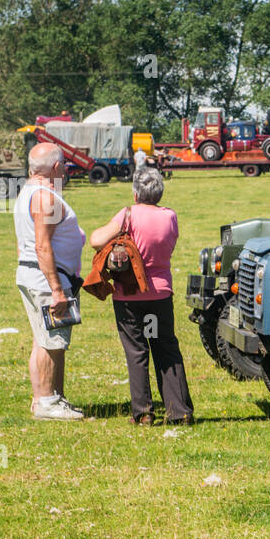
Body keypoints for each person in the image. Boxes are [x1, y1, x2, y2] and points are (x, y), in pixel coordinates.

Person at [89, 164, 194, 426]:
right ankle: (179, 412)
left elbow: (95, 240)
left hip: (129, 296)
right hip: (159, 295)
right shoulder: (170, 216)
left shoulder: (128, 215)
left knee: (136, 352)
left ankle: (144, 412)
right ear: (159, 192)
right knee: (165, 350)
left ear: (135, 193)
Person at [15, 142, 86, 421]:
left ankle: (46, 398)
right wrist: (57, 289)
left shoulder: (26, 193)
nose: (67, 170)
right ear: (56, 167)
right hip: (47, 279)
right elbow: (43, 247)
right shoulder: (47, 198)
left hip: (33, 274)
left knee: (42, 339)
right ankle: (47, 402)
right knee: (52, 341)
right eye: (65, 165)